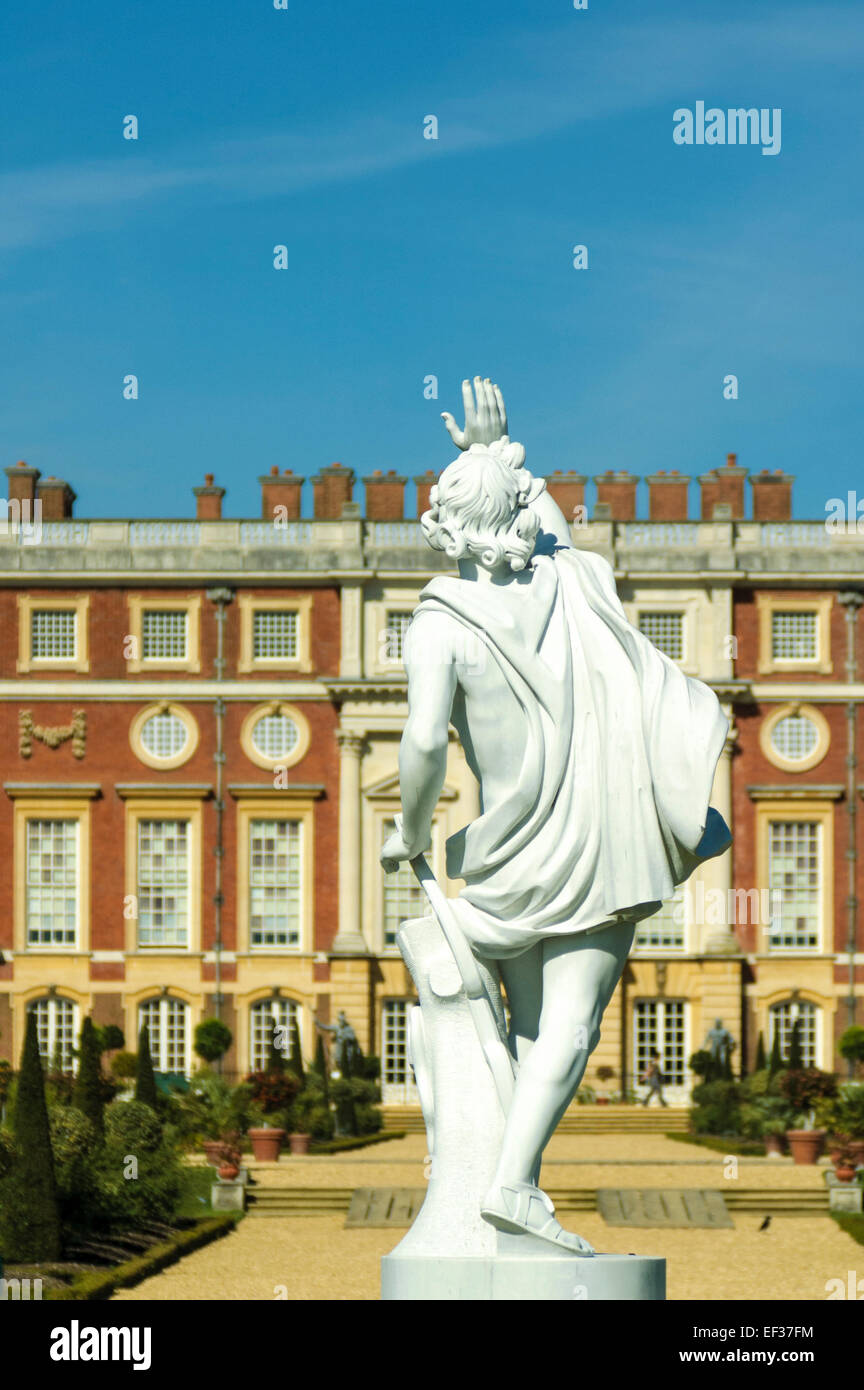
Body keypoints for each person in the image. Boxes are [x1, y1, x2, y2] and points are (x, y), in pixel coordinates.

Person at [381, 378, 731, 1252]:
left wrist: (408, 826)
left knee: (535, 1029)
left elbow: (423, 745)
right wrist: (503, 452)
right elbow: (556, 529)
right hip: (598, 849)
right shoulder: (570, 585)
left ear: (444, 528)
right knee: (566, 1029)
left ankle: (500, 1186)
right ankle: (511, 1186)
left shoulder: (436, 623)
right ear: (519, 522)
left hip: (507, 856)